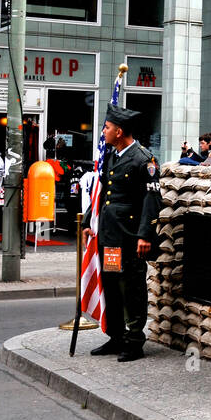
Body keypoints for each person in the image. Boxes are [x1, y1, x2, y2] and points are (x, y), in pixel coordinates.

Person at [84, 105, 160, 362]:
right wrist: (87, 221)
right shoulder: (113, 156)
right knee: (113, 286)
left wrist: (145, 236)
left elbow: (152, 200)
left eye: (106, 127)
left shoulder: (143, 159)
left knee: (132, 288)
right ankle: (116, 337)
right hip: (111, 236)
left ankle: (135, 340)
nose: (103, 131)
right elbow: (102, 193)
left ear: (119, 131)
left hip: (130, 238)